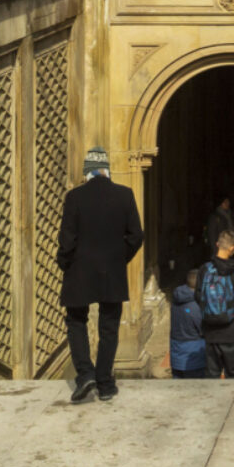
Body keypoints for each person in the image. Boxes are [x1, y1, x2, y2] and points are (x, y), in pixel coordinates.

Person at [56, 146, 144, 404]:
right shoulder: (124, 195)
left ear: (87, 172)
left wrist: (65, 263)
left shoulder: (74, 197)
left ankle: (85, 375)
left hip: (79, 270)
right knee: (109, 325)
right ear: (107, 170)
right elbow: (136, 235)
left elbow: (67, 239)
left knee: (75, 321)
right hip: (111, 271)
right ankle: (105, 382)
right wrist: (120, 257)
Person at [198, 230, 234, 380]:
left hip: (211, 331)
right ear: (232, 249)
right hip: (232, 331)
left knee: (211, 375)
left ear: (217, 245)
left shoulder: (204, 269)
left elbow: (198, 296)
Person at [168, 268, 210, 379]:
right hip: (193, 358)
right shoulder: (194, 307)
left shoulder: (176, 300)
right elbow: (203, 329)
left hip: (176, 354)